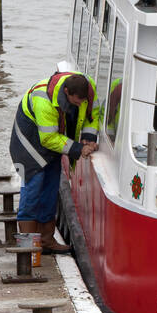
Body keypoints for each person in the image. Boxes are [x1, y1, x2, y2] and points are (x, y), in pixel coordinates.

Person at [9, 71, 100, 252]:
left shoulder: (88, 88)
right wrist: (78, 149)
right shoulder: (44, 100)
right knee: (32, 190)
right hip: (28, 140)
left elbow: (93, 113)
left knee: (50, 189)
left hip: (51, 139)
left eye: (82, 101)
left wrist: (89, 137)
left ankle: (46, 241)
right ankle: (26, 250)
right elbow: (48, 138)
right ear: (66, 91)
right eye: (76, 101)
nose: (80, 104)